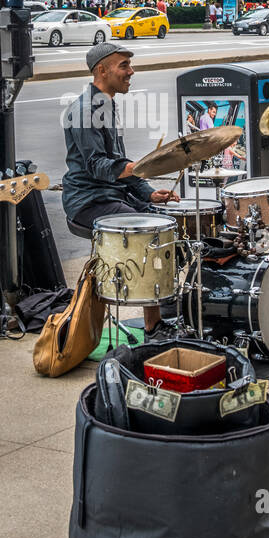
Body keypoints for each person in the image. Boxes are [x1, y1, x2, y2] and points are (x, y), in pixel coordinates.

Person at [62, 42, 179, 332]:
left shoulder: (104, 104)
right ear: (102, 70)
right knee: (150, 231)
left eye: (130, 65)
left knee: (166, 224)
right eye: (123, 65)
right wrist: (140, 167)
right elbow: (98, 166)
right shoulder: (85, 110)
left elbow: (119, 163)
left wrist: (148, 192)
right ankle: (154, 325)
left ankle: (166, 311)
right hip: (88, 200)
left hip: (111, 194)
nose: (131, 71)